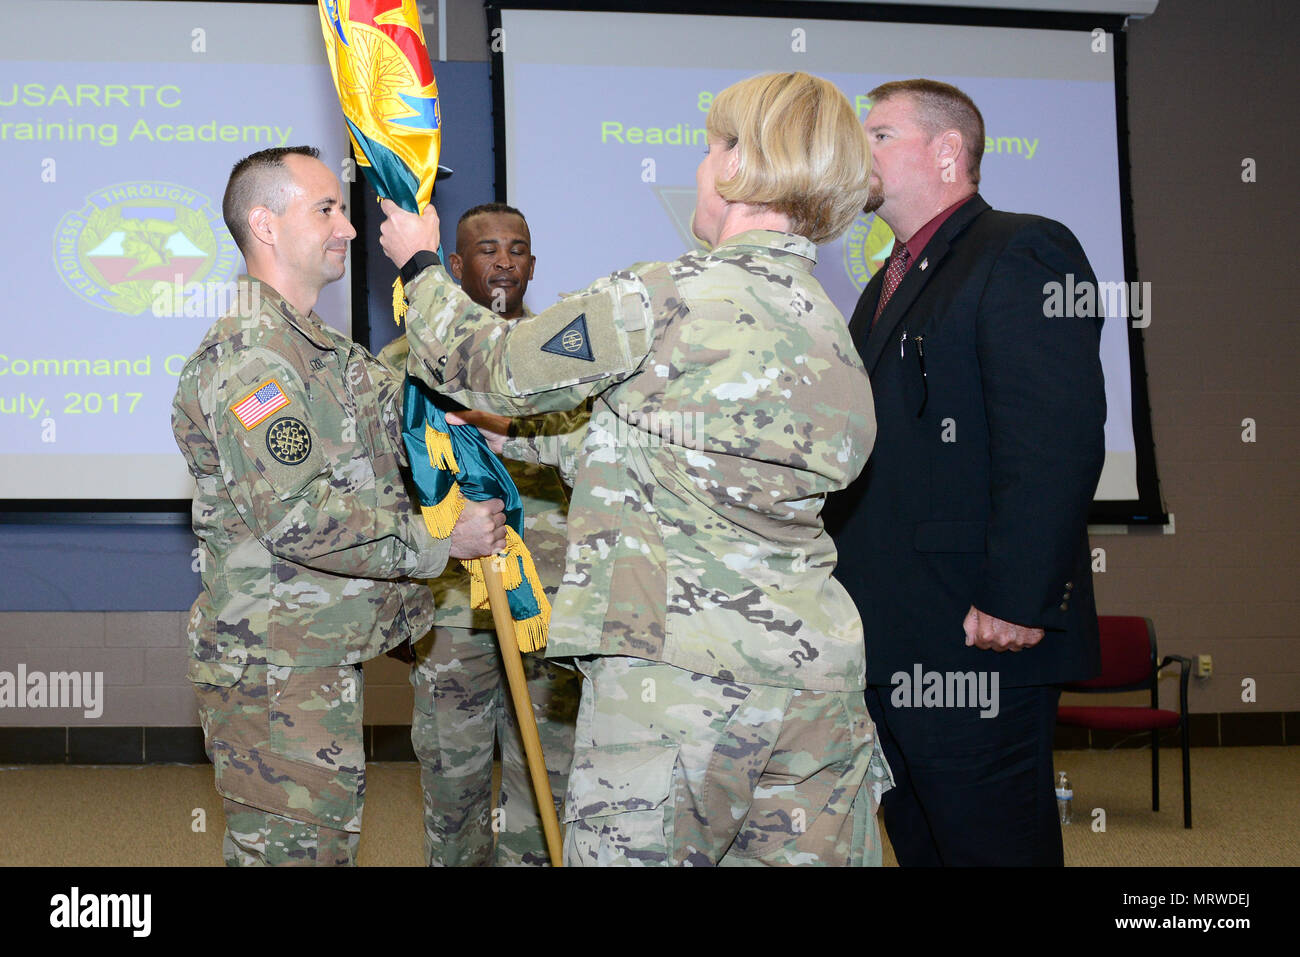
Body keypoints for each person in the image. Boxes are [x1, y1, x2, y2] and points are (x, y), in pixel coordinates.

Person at [380, 72, 893, 866]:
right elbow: (669, 450)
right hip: (816, 687)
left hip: (677, 688)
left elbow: (483, 360)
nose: (699, 164)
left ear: (736, 163)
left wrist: (420, 266)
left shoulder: (666, 295)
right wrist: (513, 430)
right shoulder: (831, 329)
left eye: (708, 145)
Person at [171, 146, 506, 866]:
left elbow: (413, 416)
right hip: (272, 671)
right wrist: (444, 539)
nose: (348, 229)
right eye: (326, 209)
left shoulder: (321, 349)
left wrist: (476, 420)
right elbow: (297, 517)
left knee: (320, 853)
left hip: (311, 658)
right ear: (265, 223)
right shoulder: (252, 360)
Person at [824, 79, 1106, 866]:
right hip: (894, 632)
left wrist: (1016, 597)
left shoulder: (1024, 247)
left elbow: (1057, 438)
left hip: (978, 632)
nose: (860, 151)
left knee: (991, 843)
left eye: (879, 135)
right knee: (923, 840)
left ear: (948, 151)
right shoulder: (887, 279)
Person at [377, 202, 582, 866]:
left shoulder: (558, 352)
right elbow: (382, 490)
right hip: (450, 611)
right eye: (486, 249)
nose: (504, 261)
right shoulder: (405, 361)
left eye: (517, 248)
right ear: (454, 265)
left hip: (546, 606)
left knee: (546, 784)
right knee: (453, 783)